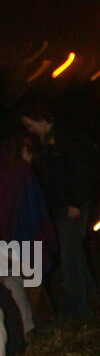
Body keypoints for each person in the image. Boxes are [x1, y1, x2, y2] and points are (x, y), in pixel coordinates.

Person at [17, 100, 100, 318]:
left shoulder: (65, 136)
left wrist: (76, 201)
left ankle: (77, 307)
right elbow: (51, 172)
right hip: (61, 204)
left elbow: (82, 169)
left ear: (39, 119)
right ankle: (90, 292)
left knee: (69, 254)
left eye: (30, 124)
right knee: (73, 250)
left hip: (72, 205)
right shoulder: (47, 141)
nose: (30, 129)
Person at [0, 133, 57, 337]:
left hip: (6, 242)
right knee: (30, 286)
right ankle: (33, 330)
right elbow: (33, 209)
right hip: (26, 239)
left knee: (16, 284)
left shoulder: (5, 170)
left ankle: (28, 329)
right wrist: (44, 237)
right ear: (24, 150)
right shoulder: (22, 173)